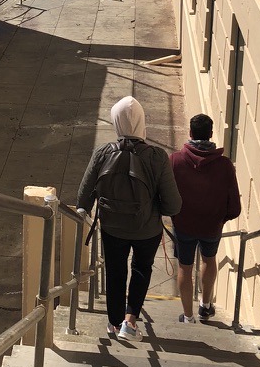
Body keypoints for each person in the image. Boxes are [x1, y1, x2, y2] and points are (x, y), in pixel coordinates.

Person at [77, 96, 181, 341]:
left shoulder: (102, 153)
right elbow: (173, 205)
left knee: (115, 271)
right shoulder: (157, 157)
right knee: (142, 269)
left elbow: (83, 197)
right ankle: (130, 321)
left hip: (112, 228)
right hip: (147, 229)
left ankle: (113, 322)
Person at [169, 113, 241, 323]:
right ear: (210, 134)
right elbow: (234, 205)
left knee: (185, 266)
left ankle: (188, 316)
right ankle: (206, 305)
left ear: (190, 133)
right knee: (209, 259)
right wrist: (221, 219)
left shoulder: (175, 160)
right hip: (212, 225)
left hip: (183, 224)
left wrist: (173, 213)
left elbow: (166, 193)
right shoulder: (225, 165)